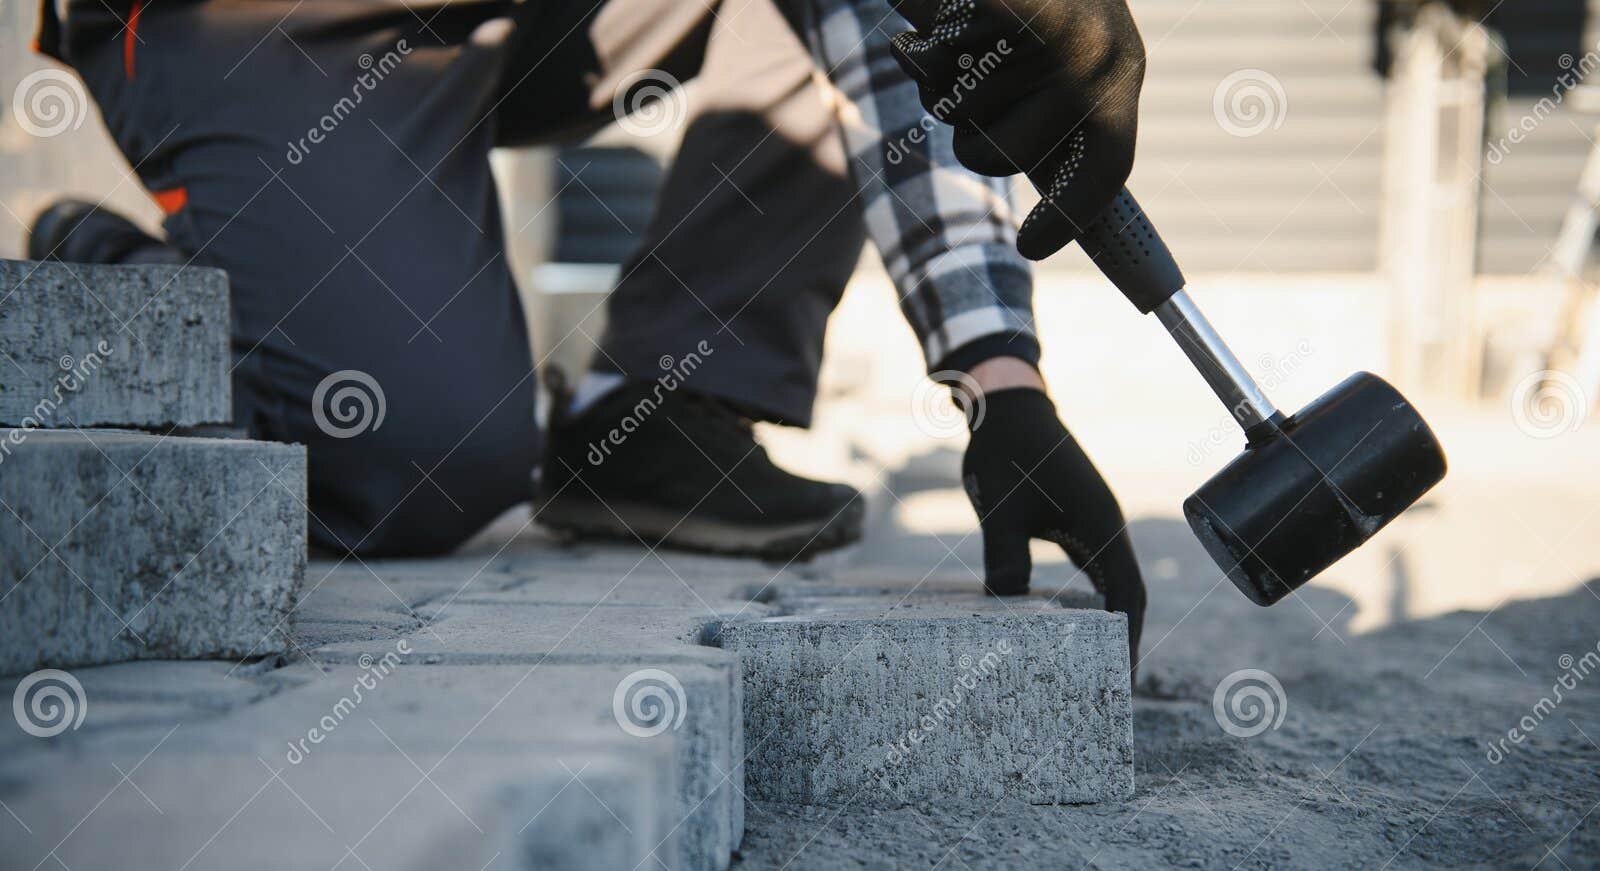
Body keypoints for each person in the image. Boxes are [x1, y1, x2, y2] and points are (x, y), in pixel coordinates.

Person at [29, 0, 1147, 657]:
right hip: (265, 25)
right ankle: (113, 266)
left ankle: (656, 419)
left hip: (513, 23)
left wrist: (999, 377)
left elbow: (880, 36)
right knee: (422, 468)